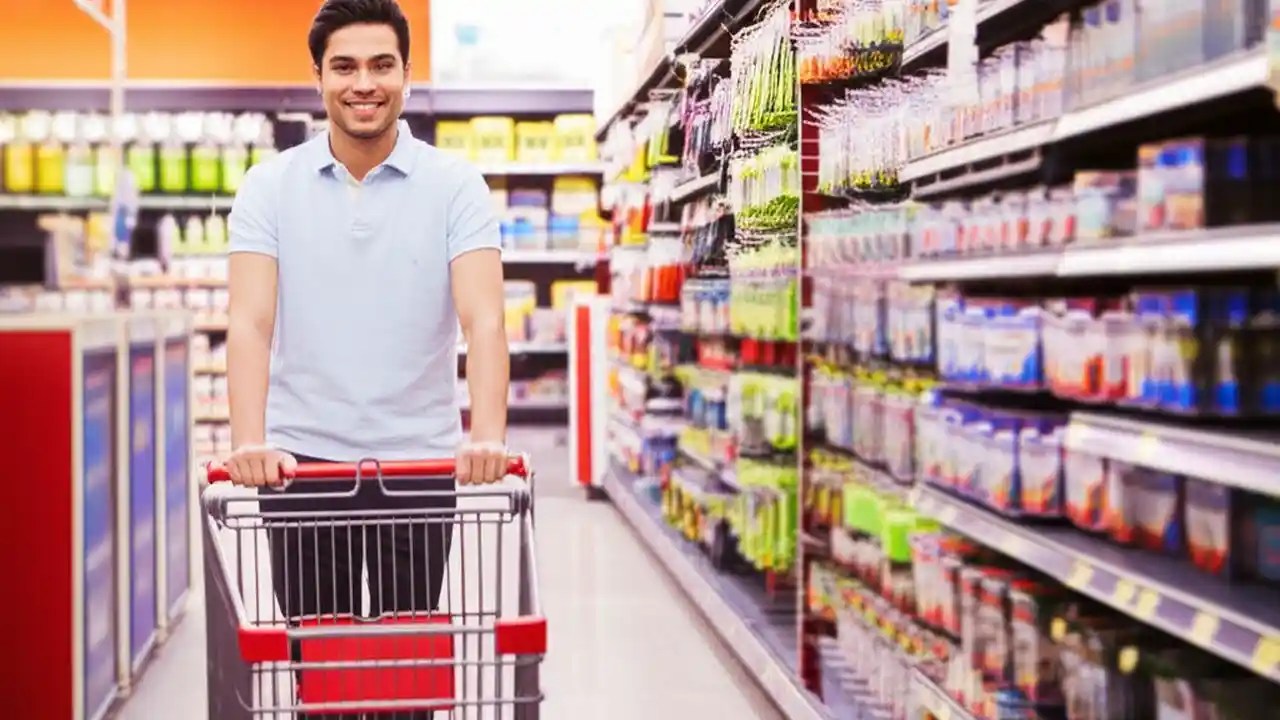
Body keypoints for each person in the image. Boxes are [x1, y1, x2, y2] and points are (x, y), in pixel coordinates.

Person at [214, 0, 510, 716]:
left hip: (420, 463)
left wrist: (488, 434)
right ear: (317, 77)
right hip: (303, 467)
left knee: (408, 678)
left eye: (382, 65)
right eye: (343, 66)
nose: (363, 83)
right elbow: (249, 322)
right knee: (326, 679)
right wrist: (249, 441)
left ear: (408, 75)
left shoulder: (455, 186)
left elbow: (486, 318)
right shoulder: (269, 186)